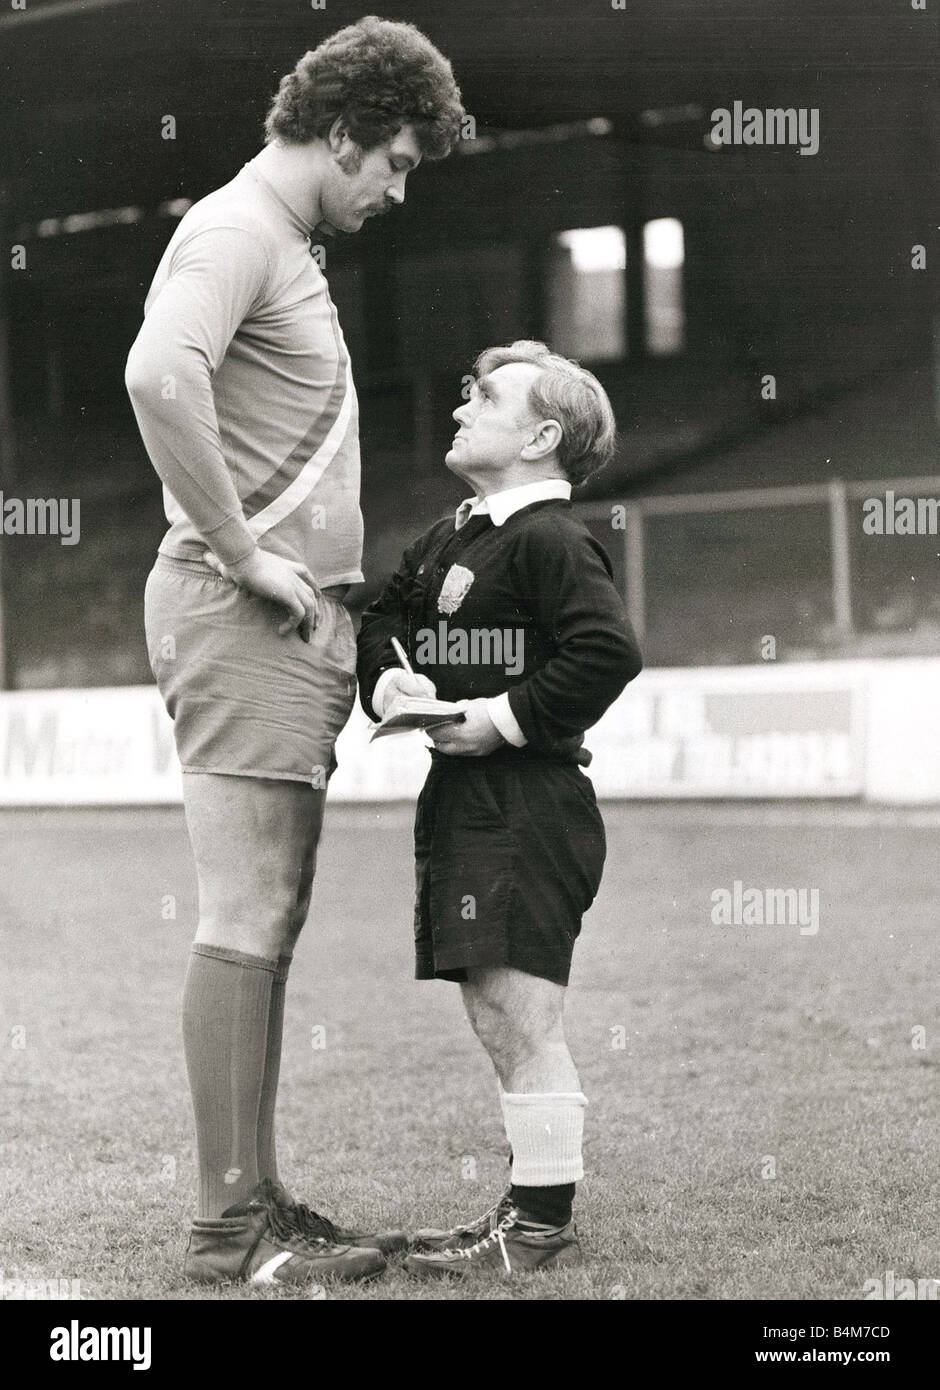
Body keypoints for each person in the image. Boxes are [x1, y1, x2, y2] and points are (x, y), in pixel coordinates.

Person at [124, 16, 464, 1288]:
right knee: (243, 912)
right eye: (397, 163)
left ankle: (252, 1201)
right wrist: (243, 548)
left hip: (292, 622)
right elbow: (161, 376)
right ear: (341, 134)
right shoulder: (232, 230)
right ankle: (227, 1235)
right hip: (241, 612)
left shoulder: (285, 242)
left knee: (273, 915)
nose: (397, 189)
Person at [357, 340, 643, 1279]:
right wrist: (392, 682)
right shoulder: (460, 533)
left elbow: (607, 651)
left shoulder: (553, 538)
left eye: (483, 397)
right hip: (470, 801)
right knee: (496, 1007)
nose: (459, 409)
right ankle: (527, 1214)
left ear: (542, 436)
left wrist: (501, 721)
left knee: (521, 1014)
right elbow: (384, 615)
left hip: (527, 802)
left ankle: (536, 1230)